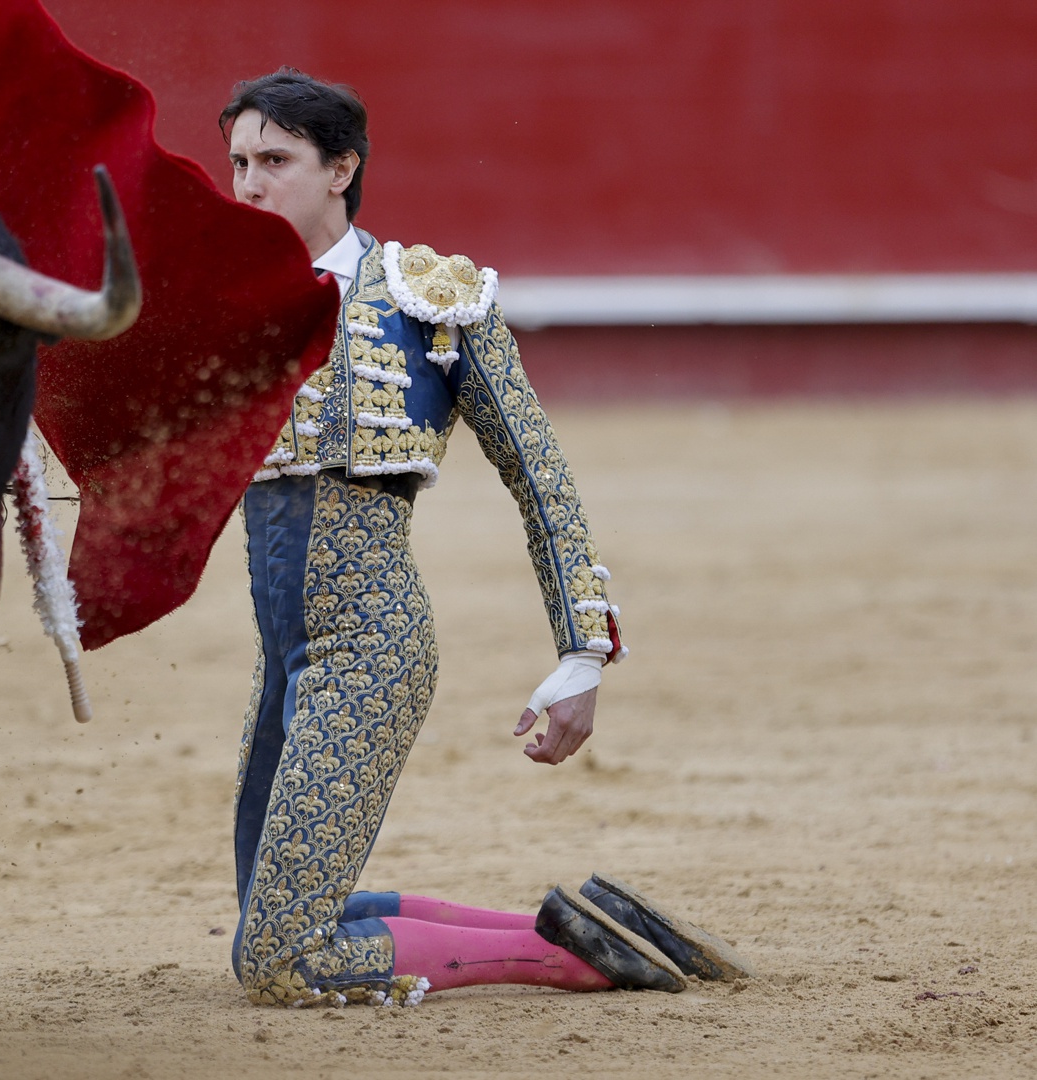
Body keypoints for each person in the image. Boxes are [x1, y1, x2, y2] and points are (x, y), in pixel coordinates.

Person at [222, 69, 750, 1007]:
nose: (250, 185)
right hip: (285, 654)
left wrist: (583, 651)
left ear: (341, 168)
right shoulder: (220, 299)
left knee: (280, 959)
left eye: (275, 161)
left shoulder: (432, 299)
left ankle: (568, 961)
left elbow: (539, 474)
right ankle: (586, 926)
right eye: (238, 163)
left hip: (369, 650)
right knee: (274, 918)